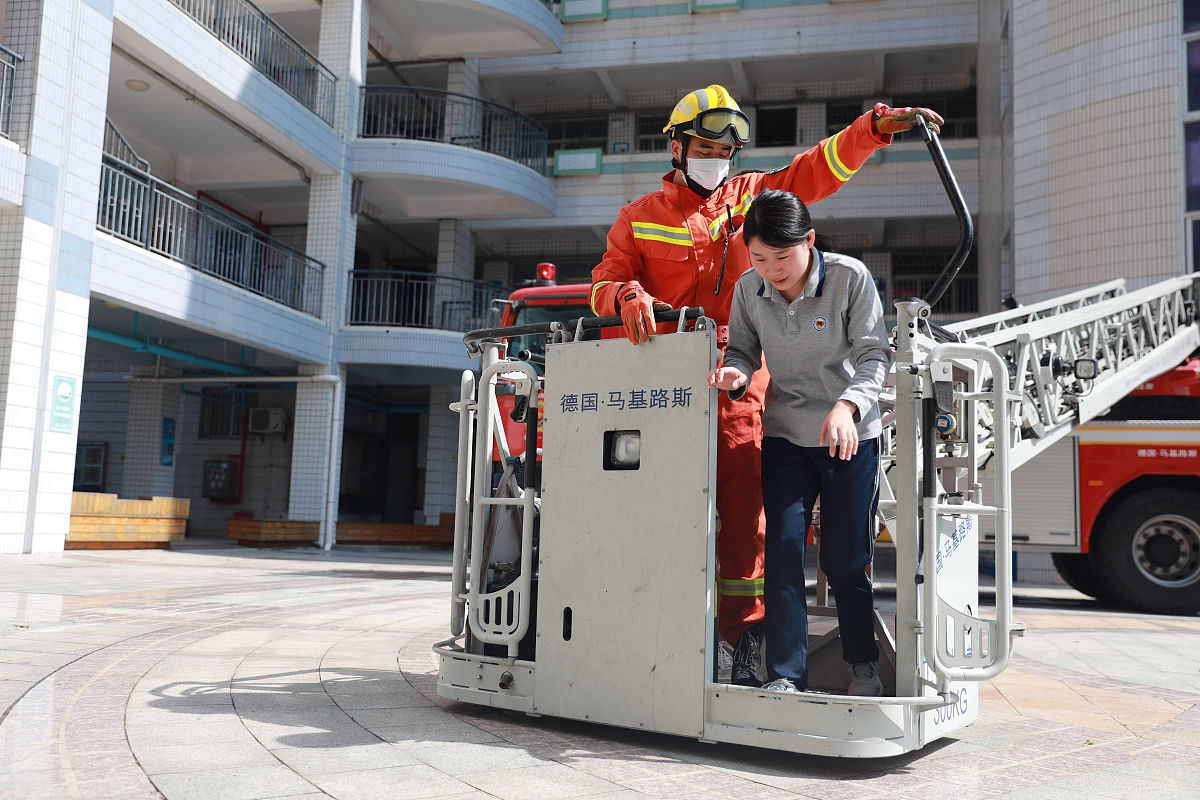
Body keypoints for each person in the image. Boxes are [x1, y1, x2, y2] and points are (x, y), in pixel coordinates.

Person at [589, 84, 939, 686]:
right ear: (676, 147)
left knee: (752, 521)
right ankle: (662, 627)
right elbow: (605, 280)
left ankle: (745, 638)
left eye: (725, 149)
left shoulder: (752, 199)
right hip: (662, 394)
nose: (715, 157)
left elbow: (818, 169)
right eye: (702, 145)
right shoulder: (639, 216)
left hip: (742, 389)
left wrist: (875, 129)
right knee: (661, 512)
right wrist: (624, 294)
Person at [707, 189, 891, 696]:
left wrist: (847, 406)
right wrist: (733, 374)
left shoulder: (850, 279)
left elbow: (876, 356)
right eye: (760, 258)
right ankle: (786, 675)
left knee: (845, 560)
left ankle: (863, 666)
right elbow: (742, 350)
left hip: (848, 436)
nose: (772, 269)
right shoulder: (749, 288)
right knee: (784, 550)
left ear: (809, 241)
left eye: (783, 257)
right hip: (787, 435)